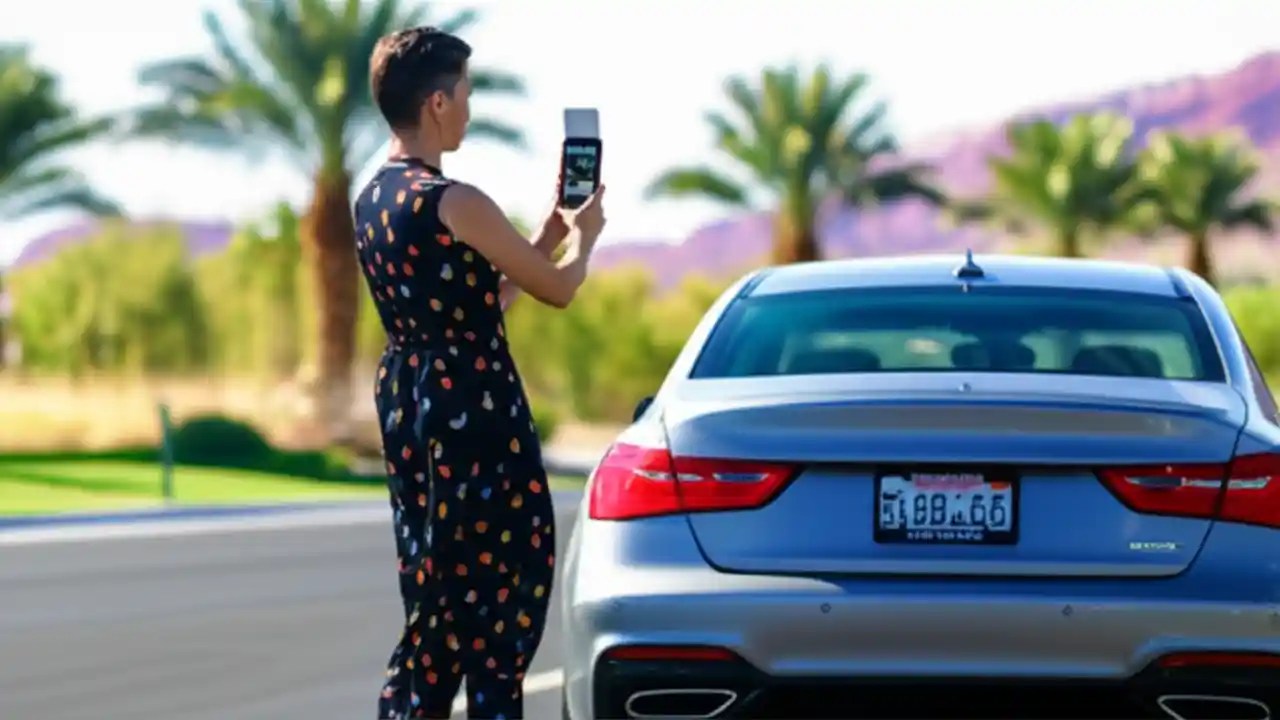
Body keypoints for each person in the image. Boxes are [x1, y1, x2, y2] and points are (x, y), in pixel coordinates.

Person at [355, 26, 606, 720]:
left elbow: (476, 299)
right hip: (475, 407)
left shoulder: (373, 197)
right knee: (502, 588)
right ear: (437, 102)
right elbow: (557, 290)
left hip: (412, 403)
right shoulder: (453, 199)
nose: (468, 106)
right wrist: (584, 242)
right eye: (464, 93)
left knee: (436, 586)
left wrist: (553, 230)